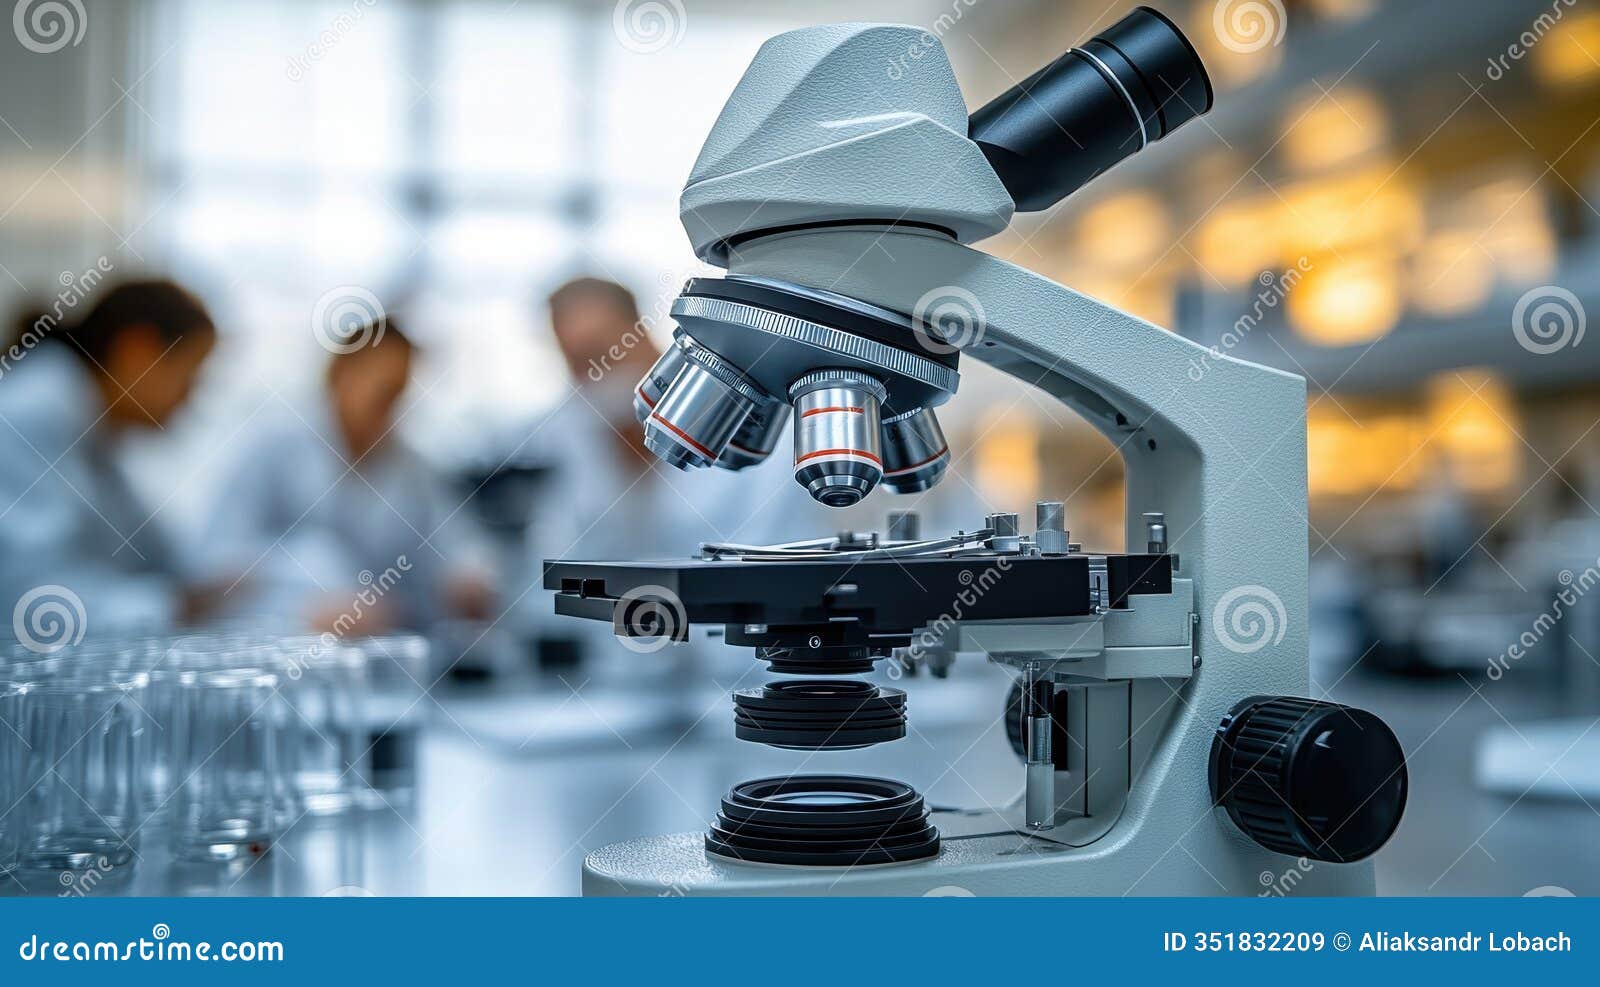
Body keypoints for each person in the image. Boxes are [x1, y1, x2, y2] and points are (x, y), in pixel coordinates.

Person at [201, 317, 493, 635]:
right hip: (279, 638)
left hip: (379, 649)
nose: (388, 406)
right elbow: (214, 562)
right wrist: (304, 596)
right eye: (380, 390)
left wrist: (466, 575)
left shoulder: (413, 468)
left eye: (398, 392)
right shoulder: (272, 447)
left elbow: (451, 546)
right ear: (339, 373)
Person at [0, 280, 219, 633]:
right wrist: (174, 603)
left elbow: (155, 556)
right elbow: (31, 600)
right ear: (138, 350)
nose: (189, 401)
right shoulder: (33, 412)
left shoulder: (93, 427)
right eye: (190, 376)